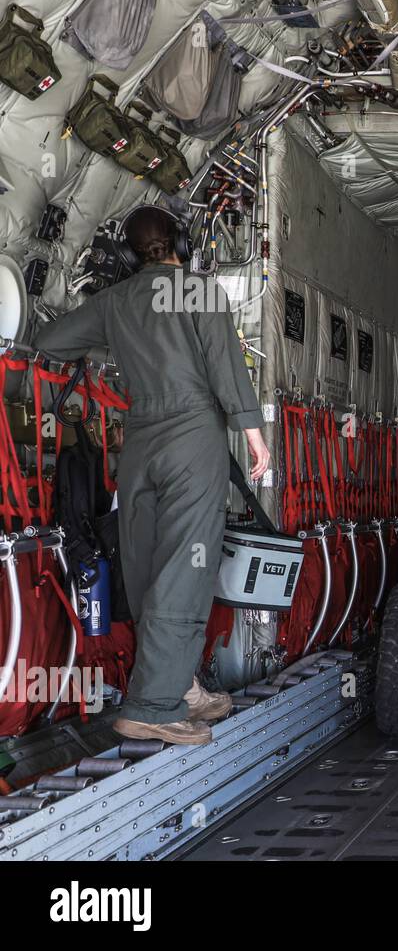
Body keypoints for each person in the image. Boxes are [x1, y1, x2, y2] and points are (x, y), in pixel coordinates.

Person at [35, 206, 271, 746]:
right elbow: (225, 365)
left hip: (139, 441)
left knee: (143, 561)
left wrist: (122, 339)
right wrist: (253, 433)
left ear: (129, 254)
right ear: (178, 244)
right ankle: (153, 706)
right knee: (185, 564)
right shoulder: (201, 293)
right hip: (193, 437)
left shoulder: (114, 301)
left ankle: (181, 684)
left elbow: (51, 343)